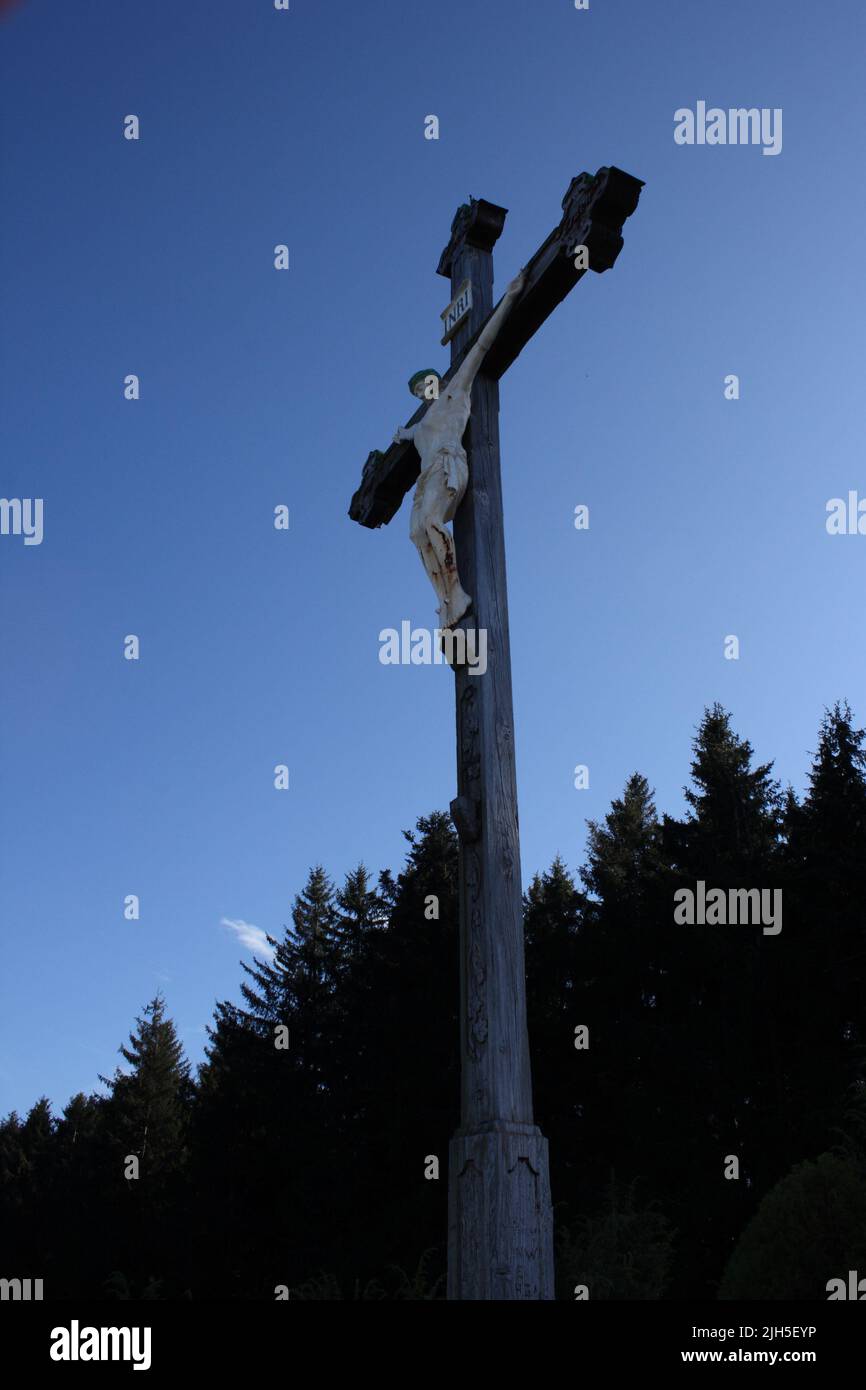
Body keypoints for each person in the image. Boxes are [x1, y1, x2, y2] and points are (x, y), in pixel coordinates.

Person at [395, 269, 526, 628]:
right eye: (417, 392)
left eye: (424, 384)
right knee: (417, 533)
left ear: (436, 381)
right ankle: (445, 600)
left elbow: (481, 346)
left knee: (431, 522)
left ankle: (457, 590)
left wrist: (511, 296)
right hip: (425, 478)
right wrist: (400, 436)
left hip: (446, 465)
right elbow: (409, 435)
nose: (422, 392)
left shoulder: (455, 392)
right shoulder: (421, 425)